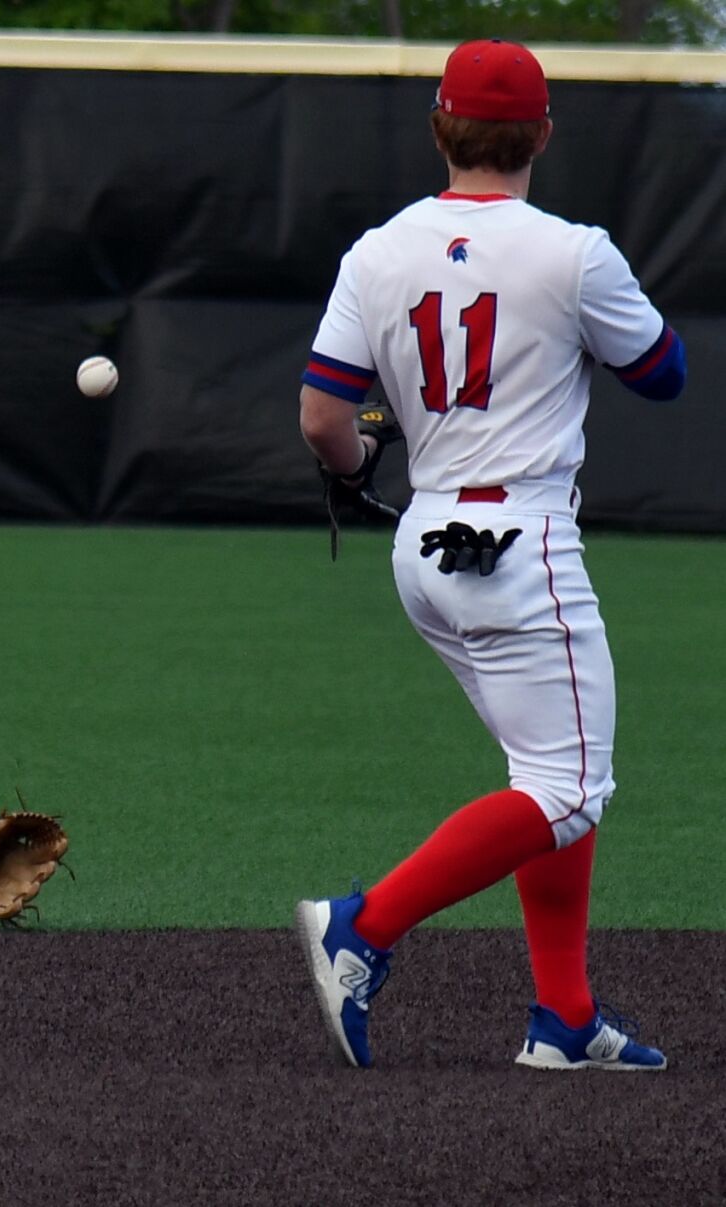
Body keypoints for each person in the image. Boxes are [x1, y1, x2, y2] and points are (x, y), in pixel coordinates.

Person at [293, 39, 685, 1071]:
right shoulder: (572, 252)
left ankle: (563, 1018)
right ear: (541, 134)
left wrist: (356, 461)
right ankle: (361, 926)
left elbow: (323, 418)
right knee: (567, 789)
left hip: (424, 543)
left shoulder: (377, 251)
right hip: (522, 543)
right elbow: (663, 373)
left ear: (439, 128)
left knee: (544, 776)